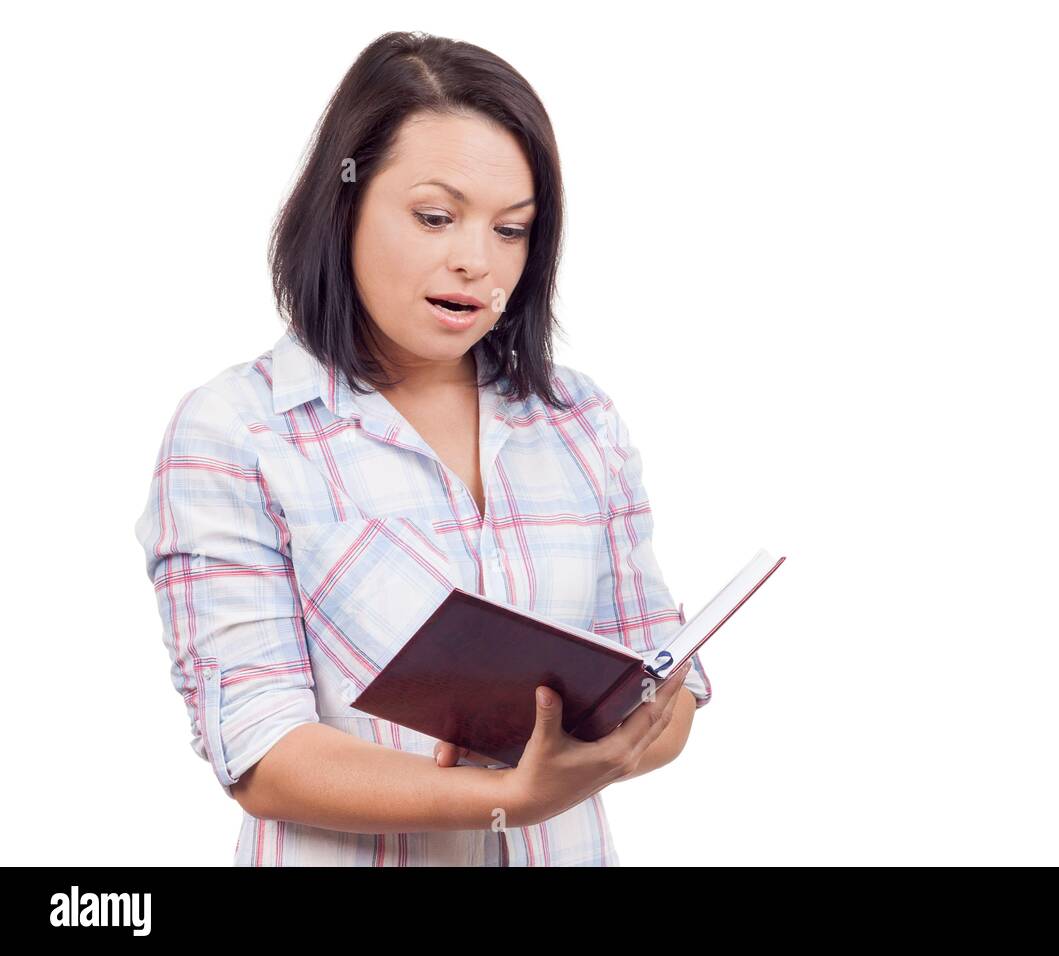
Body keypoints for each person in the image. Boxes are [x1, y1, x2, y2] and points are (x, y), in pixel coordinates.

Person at [132, 31, 711, 866]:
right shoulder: (237, 431)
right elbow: (260, 748)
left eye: (512, 230)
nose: (477, 261)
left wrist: (619, 738)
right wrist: (508, 798)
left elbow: (664, 672)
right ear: (346, 203)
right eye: (436, 217)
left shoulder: (579, 419)